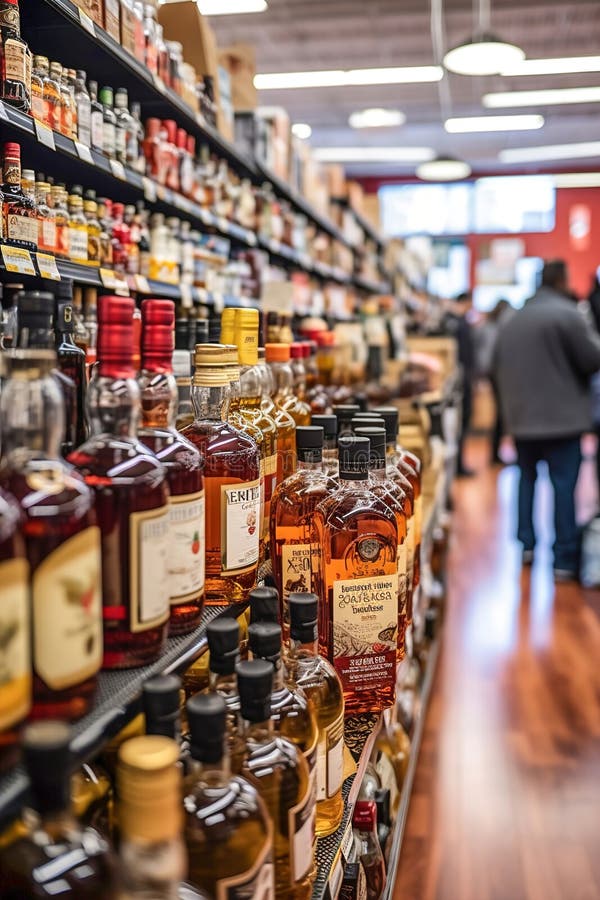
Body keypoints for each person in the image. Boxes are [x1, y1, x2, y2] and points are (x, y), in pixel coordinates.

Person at [494, 260, 600, 581]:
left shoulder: (513, 319)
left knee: (526, 481)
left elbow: (494, 366)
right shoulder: (568, 314)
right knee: (563, 486)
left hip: (523, 419)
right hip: (562, 421)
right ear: (562, 280)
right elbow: (593, 358)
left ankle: (526, 546)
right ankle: (563, 559)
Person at [475, 299, 515, 464]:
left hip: (493, 373)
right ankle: (494, 455)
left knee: (500, 414)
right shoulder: (494, 328)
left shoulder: (488, 326)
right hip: (497, 374)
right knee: (500, 414)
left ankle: (495, 453)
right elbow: (489, 355)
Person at [443, 291, 475, 477]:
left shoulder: (457, 321)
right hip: (460, 380)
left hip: (463, 378)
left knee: (462, 423)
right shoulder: (457, 322)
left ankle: (460, 465)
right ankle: (458, 467)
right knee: (459, 424)